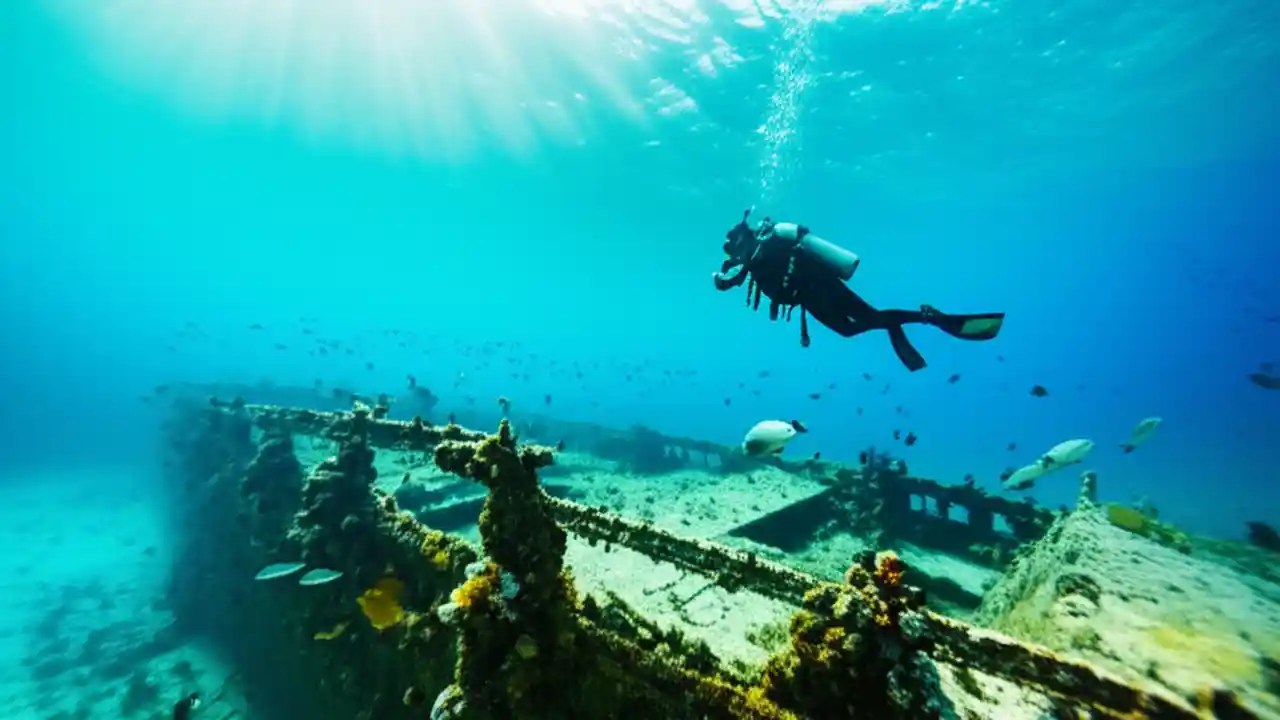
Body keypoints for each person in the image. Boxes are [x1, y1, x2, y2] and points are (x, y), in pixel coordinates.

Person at [712, 209, 1005, 372]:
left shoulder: (765, 249)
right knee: (859, 325)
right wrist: (726, 277)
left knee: (868, 320)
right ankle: (916, 319)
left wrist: (726, 278)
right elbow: (741, 277)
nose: (734, 252)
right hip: (814, 298)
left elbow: (743, 276)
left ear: (744, 239)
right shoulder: (756, 255)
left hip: (822, 290)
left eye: (734, 245)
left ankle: (926, 317)